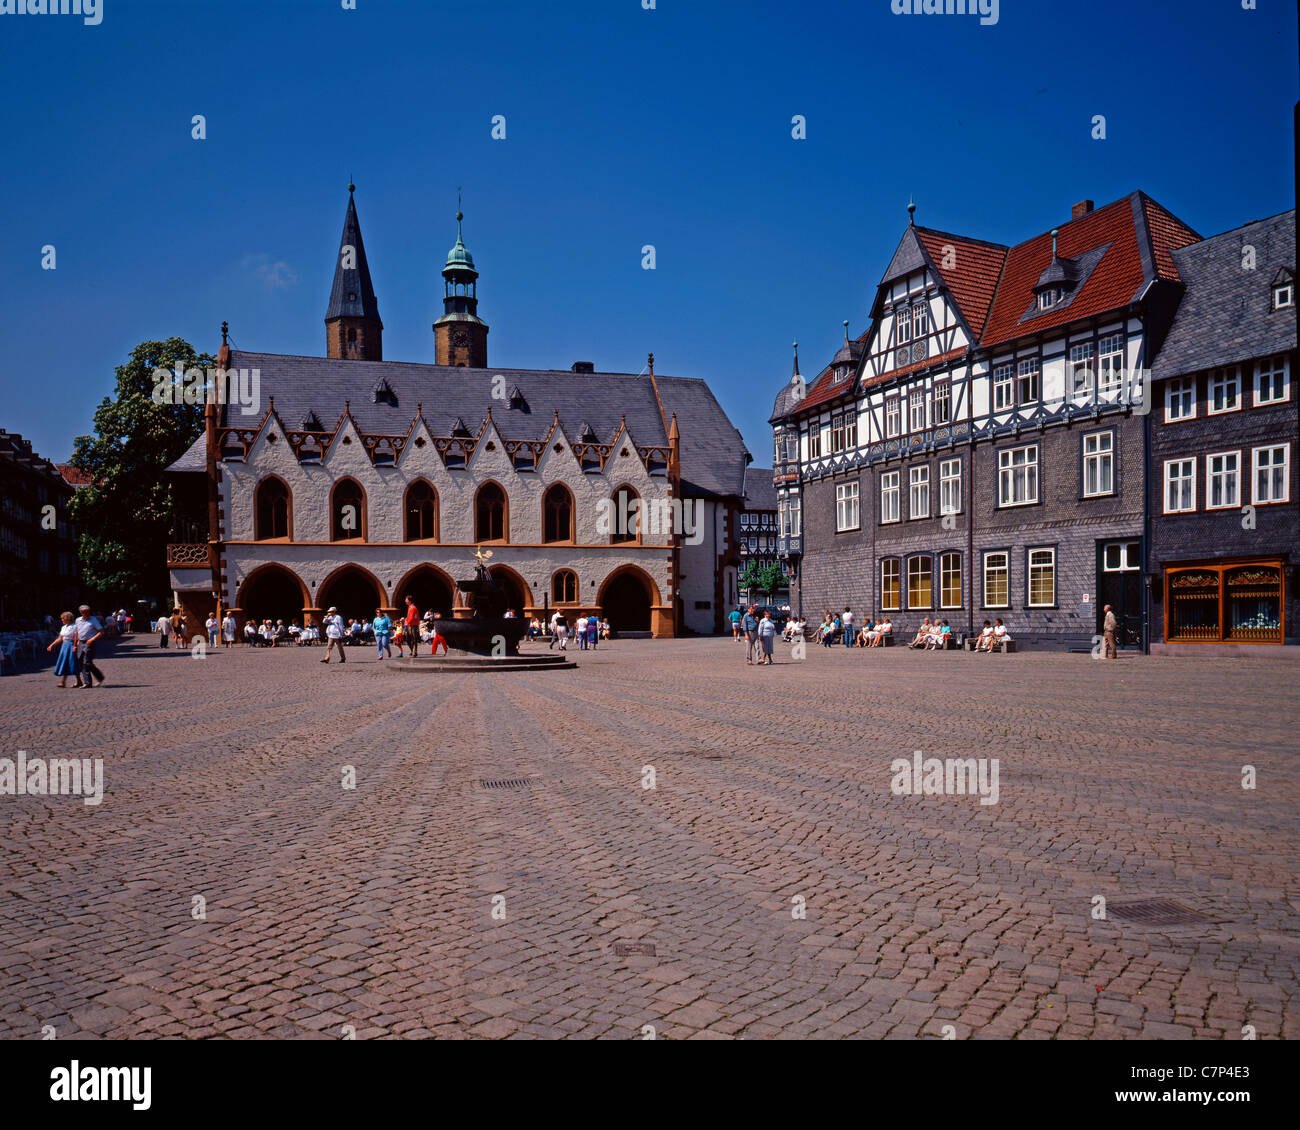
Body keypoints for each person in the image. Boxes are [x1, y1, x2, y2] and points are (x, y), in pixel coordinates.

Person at [47, 611, 82, 688]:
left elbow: (77, 637)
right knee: (65, 662)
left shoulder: (75, 626)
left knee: (72, 662)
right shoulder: (64, 627)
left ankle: (78, 680)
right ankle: (65, 682)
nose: (62, 620)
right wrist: (52, 645)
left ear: (67, 618)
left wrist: (75, 646)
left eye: (63, 618)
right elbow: (60, 638)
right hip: (64, 646)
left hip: (71, 645)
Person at [73, 605, 106, 686]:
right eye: (85, 612)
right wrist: (75, 644)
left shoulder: (93, 620)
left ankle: (87, 683)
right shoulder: (78, 620)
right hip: (81, 642)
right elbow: (77, 632)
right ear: (81, 613)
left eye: (88, 612)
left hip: (89, 642)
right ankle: (99, 677)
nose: (88, 613)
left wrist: (92, 639)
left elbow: (101, 632)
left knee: (86, 662)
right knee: (81, 662)